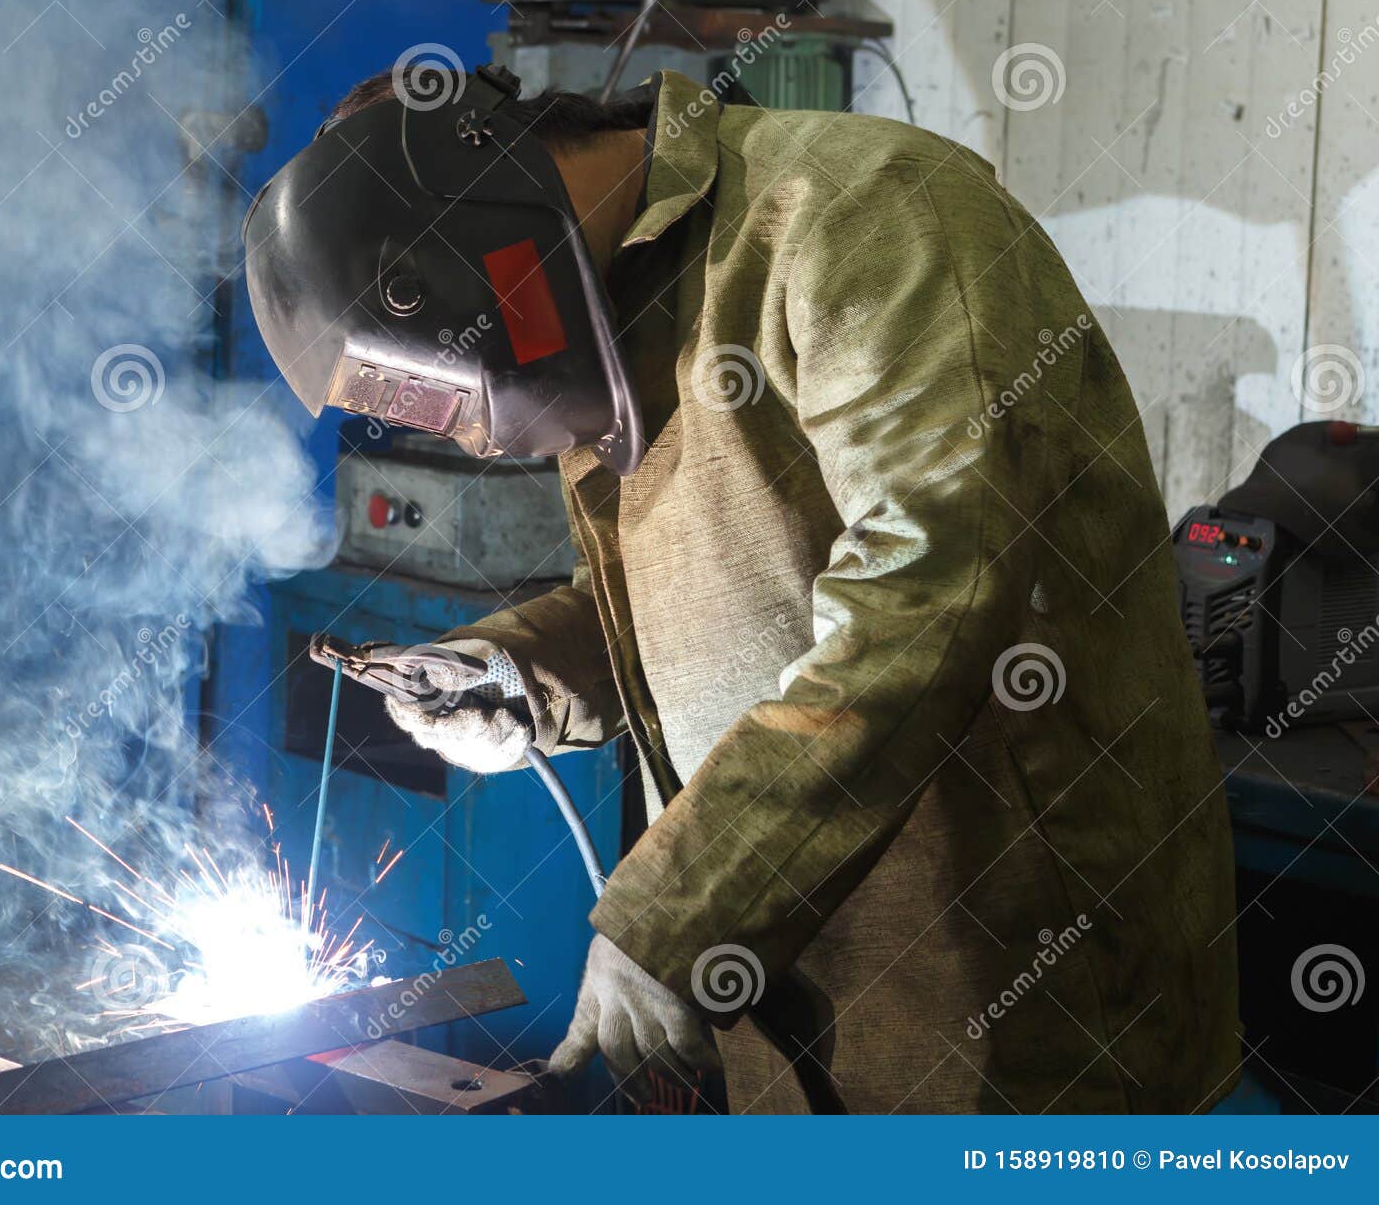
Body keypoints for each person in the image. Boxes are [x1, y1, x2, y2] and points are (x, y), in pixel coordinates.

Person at [243, 62, 1240, 1113]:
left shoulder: (859, 209)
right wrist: (517, 672)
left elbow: (932, 581)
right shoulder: (612, 309)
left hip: (1015, 992)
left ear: (469, 226)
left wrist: (674, 906)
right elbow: (694, 594)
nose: (460, 426)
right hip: (794, 997)